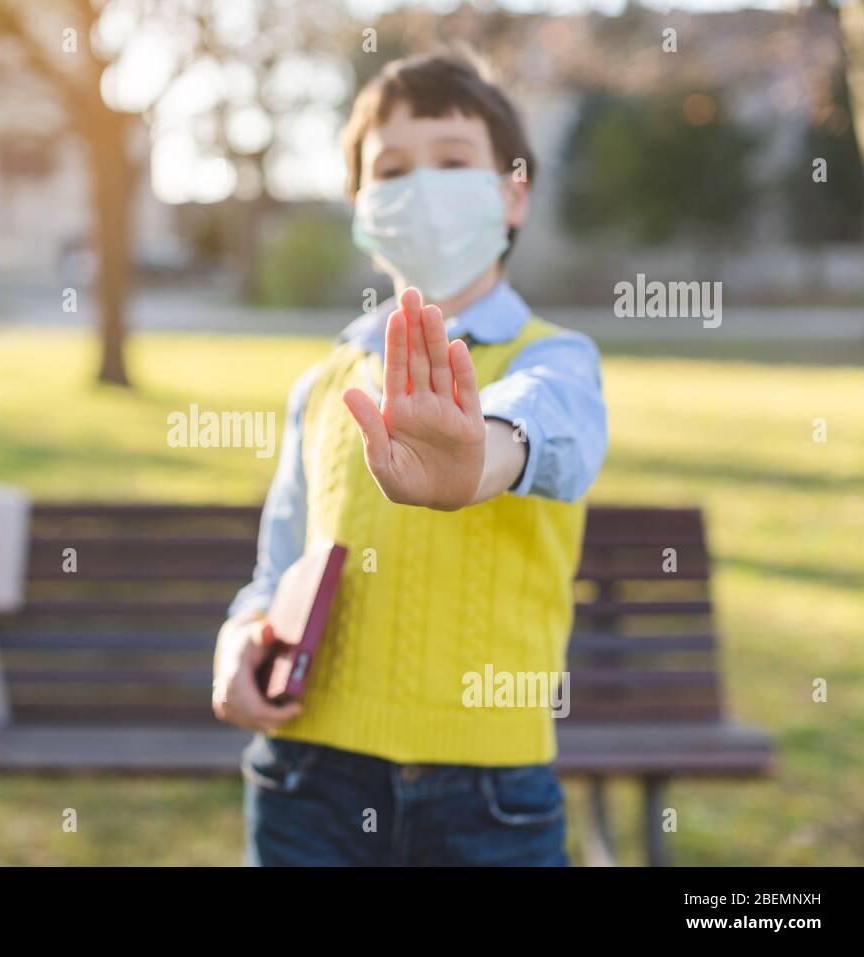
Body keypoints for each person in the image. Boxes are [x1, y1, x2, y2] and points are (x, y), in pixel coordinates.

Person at [212, 49, 609, 866]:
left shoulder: (557, 358)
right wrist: (239, 638)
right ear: (361, 209)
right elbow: (278, 564)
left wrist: (478, 461)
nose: (422, 187)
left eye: (454, 161)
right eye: (391, 169)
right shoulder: (323, 385)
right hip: (307, 777)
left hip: (491, 793)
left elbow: (546, 431)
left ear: (513, 193)